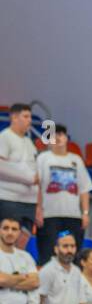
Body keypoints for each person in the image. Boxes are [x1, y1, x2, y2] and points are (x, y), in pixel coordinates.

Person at [34, 125, 92, 265]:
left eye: (61, 135)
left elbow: (84, 189)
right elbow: (37, 186)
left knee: (74, 256)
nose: (59, 138)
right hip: (49, 215)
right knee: (47, 254)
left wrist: (85, 212)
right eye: (55, 136)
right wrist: (38, 209)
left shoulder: (76, 160)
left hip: (73, 215)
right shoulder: (43, 158)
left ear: (67, 138)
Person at [0, 214, 39, 304]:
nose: (10, 232)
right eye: (6, 228)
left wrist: (8, 279)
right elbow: (1, 280)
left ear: (18, 233)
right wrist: (23, 277)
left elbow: (35, 282)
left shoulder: (25, 257)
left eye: (14, 229)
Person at [0, 104, 39, 244]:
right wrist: (29, 178)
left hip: (29, 202)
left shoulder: (29, 142)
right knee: (6, 242)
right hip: (9, 200)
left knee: (22, 242)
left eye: (30, 117)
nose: (29, 120)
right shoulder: (5, 137)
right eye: (26, 116)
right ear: (14, 117)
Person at [37, 231, 81, 304]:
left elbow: (80, 302)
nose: (69, 250)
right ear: (56, 249)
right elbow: (39, 302)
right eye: (65, 246)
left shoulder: (77, 271)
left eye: (72, 246)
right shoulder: (47, 271)